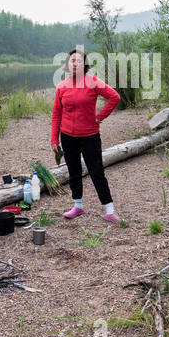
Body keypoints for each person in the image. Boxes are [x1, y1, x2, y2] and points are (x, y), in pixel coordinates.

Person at [48, 46, 125, 223]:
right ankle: (78, 206)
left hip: (90, 136)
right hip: (67, 137)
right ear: (68, 65)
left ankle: (110, 210)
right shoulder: (62, 86)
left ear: (85, 64)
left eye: (78, 61)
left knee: (96, 171)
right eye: (72, 61)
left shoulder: (93, 82)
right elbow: (56, 113)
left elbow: (115, 97)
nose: (75, 63)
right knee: (74, 172)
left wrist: (100, 117)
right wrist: (54, 139)